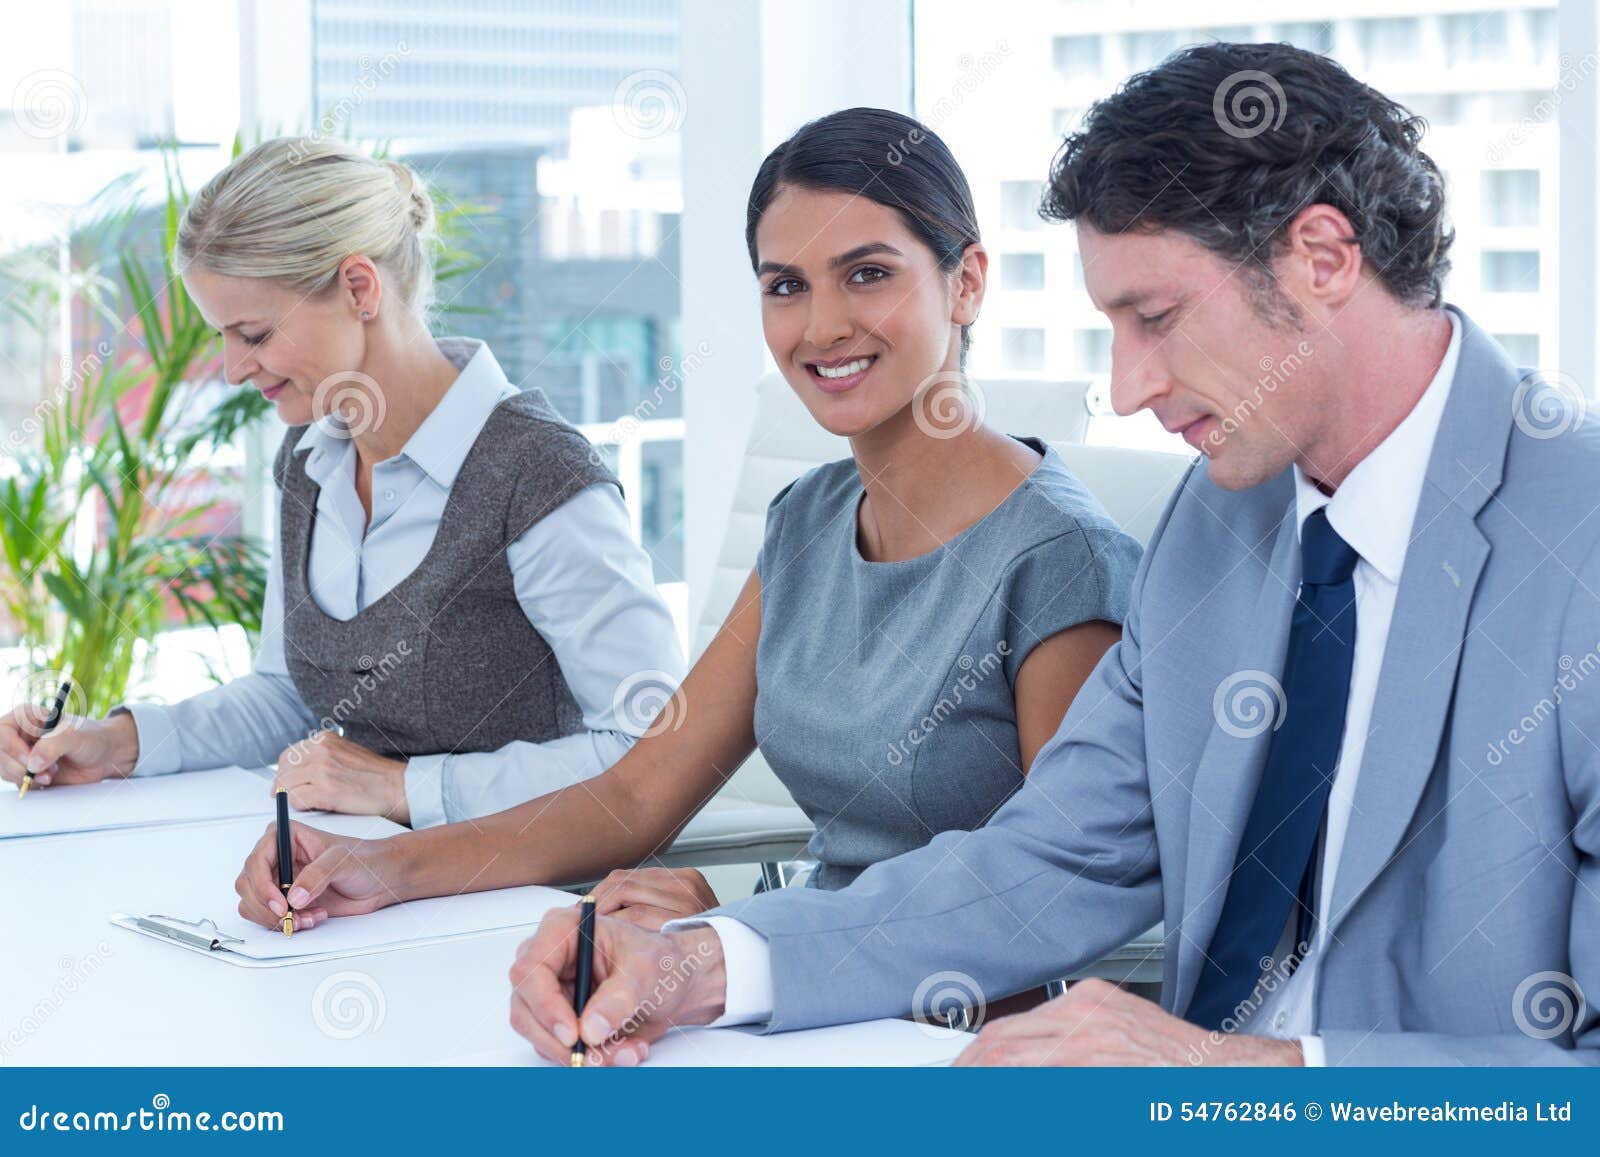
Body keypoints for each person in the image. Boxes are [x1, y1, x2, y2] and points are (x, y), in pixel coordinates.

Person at [504, 43, 1600, 1067]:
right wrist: (706, 958)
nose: (1125, 387)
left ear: (1320, 255)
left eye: (1156, 317)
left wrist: (1250, 1071)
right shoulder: (1219, 525)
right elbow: (1047, 858)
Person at [231, 108, 1142, 936]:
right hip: (788, 1000)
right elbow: (639, 792)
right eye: (785, 286)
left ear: (968, 282)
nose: (822, 325)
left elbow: (1046, 892)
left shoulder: (1059, 562)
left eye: (868, 275)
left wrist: (751, 931)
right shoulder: (809, 522)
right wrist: (380, 868)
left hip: (961, 1040)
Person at [0, 137, 684, 829]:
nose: (234, 369)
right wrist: (116, 744)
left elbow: (653, 748)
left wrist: (401, 787)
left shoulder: (540, 477)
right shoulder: (309, 460)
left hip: (529, 899)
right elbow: (286, 697)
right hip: (360, 884)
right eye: (224, 338)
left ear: (359, 288)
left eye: (255, 334)